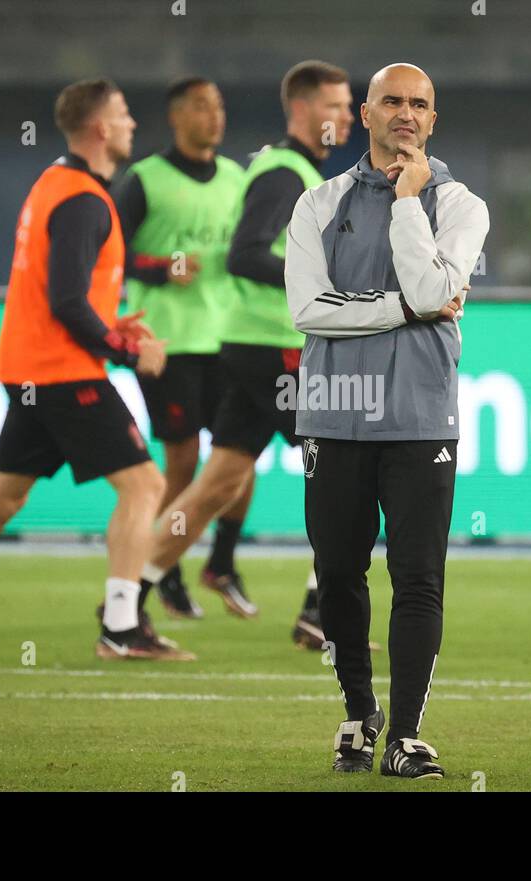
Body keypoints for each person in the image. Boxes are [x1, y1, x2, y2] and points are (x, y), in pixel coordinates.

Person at [0, 78, 192, 660]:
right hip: (61, 372)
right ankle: (122, 628)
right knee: (146, 486)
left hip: (33, 369)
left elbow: (67, 296)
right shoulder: (84, 198)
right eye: (126, 115)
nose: (133, 124)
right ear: (102, 128)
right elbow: (66, 302)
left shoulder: (54, 185)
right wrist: (129, 352)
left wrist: (112, 326)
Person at [285, 62, 489, 778]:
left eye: (420, 104)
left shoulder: (462, 206)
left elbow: (438, 284)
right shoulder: (317, 203)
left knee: (418, 578)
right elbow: (309, 310)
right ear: (365, 114)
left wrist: (408, 203)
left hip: (420, 418)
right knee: (338, 575)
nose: (406, 113)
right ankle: (356, 712)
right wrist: (405, 308)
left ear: (433, 120)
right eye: (393, 101)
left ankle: (404, 733)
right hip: (334, 418)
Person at [133, 60, 356, 643]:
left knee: (216, 484)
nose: (346, 116)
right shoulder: (285, 172)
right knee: (349, 471)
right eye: (334, 105)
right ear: (302, 110)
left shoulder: (295, 169)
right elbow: (244, 255)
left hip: (251, 344)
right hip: (275, 347)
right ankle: (319, 611)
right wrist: (316, 280)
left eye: (348, 104)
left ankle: (129, 598)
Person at [114, 77, 251, 620]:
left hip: (229, 337)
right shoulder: (144, 180)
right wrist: (158, 266)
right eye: (200, 106)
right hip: (167, 343)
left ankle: (220, 561)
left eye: (218, 105)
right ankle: (162, 566)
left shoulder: (239, 180)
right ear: (176, 117)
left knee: (240, 457)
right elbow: (109, 254)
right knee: (183, 459)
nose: (213, 116)